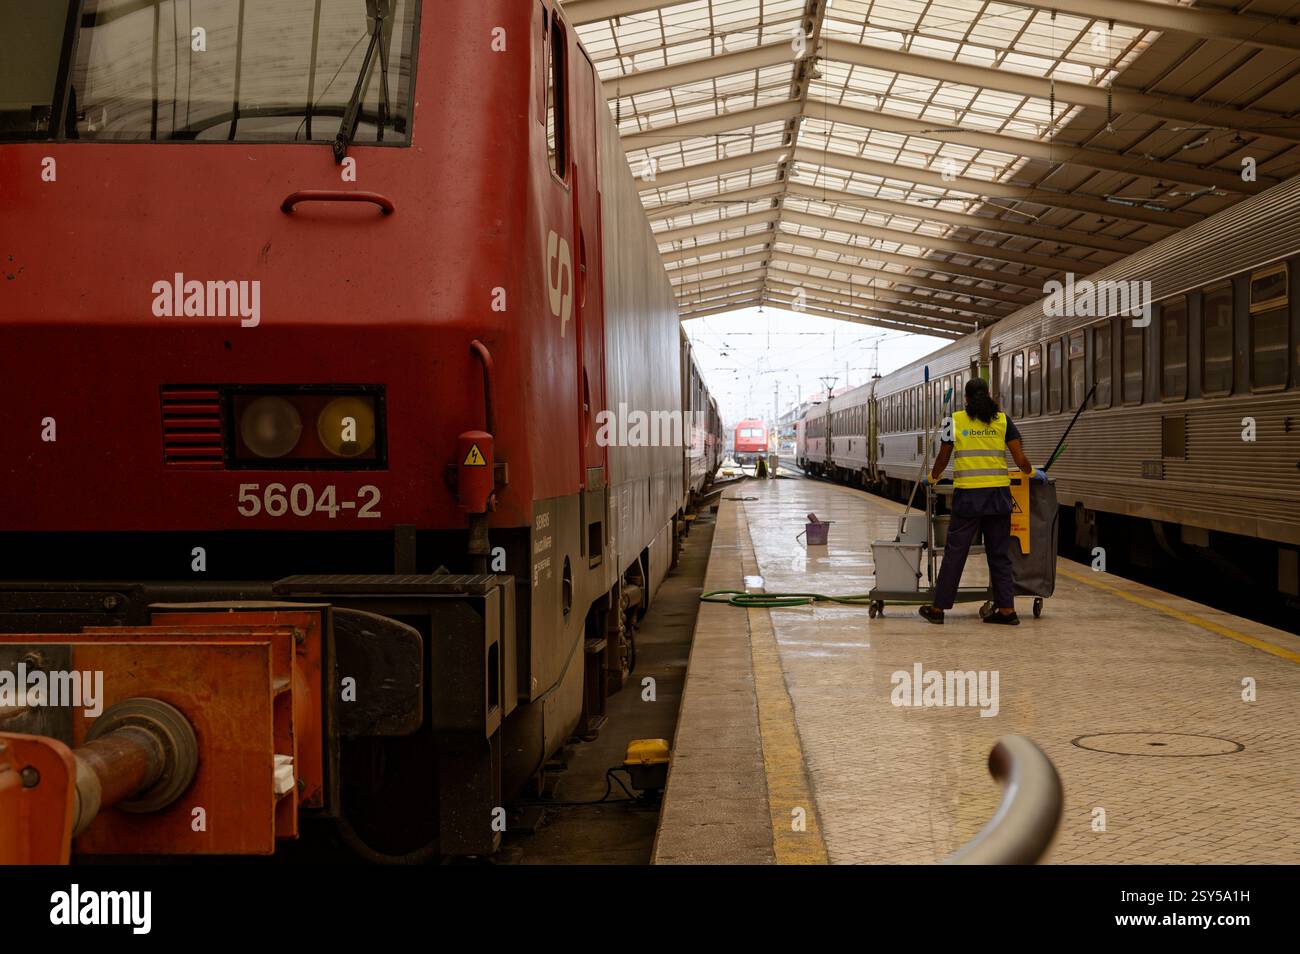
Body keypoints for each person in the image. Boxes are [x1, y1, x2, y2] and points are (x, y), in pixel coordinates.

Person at [918, 377, 1045, 625]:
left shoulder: (953, 420)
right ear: (988, 395)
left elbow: (943, 459)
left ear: (965, 399)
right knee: (999, 555)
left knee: (956, 553)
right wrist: (1032, 474)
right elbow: (1020, 459)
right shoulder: (1003, 420)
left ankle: (938, 609)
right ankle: (1007, 611)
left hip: (968, 499)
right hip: (998, 497)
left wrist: (932, 479)